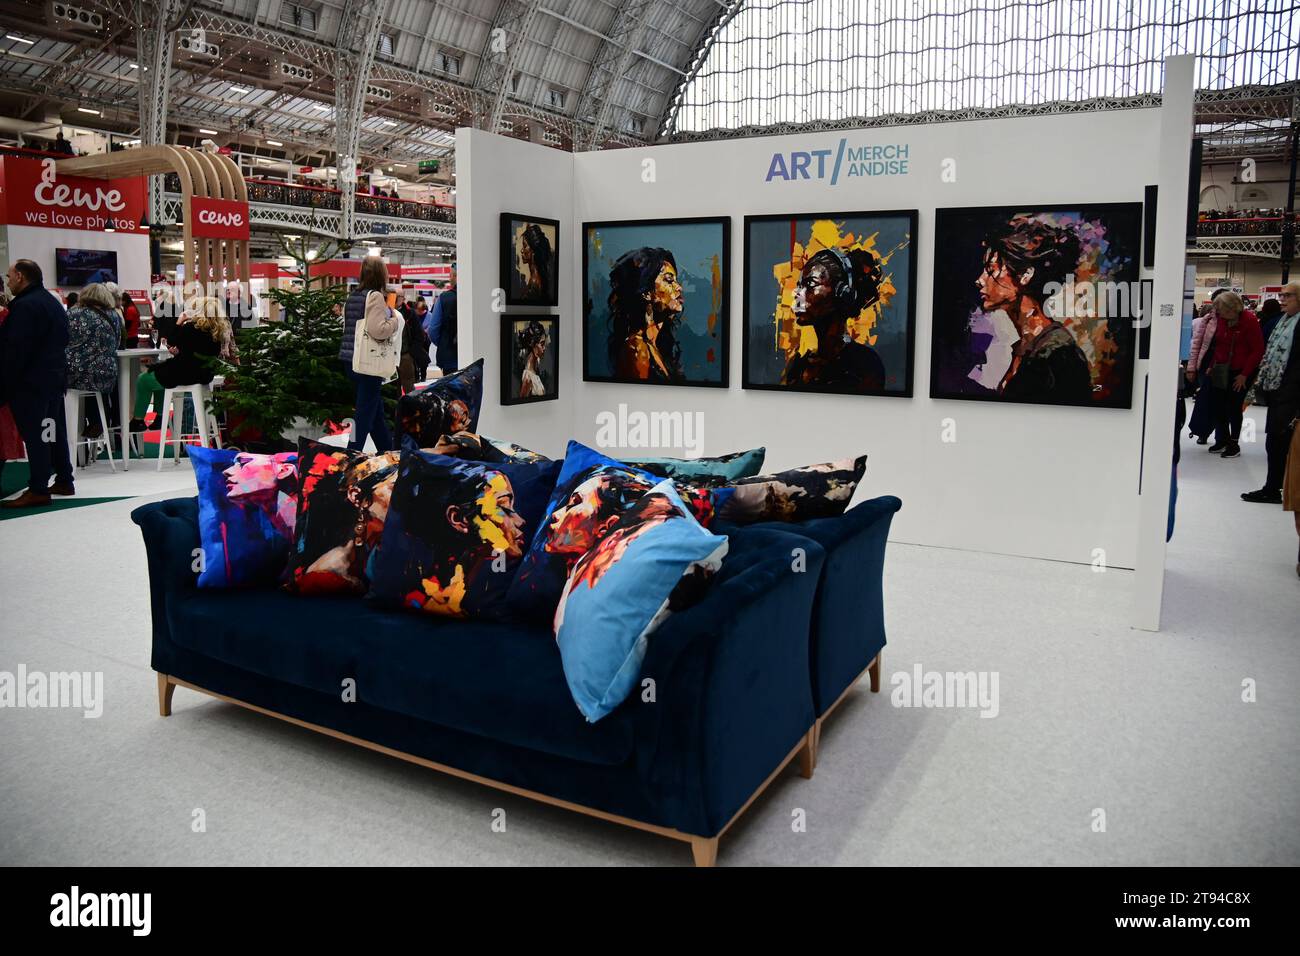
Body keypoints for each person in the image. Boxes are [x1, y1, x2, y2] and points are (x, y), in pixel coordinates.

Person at [978, 216, 1092, 403]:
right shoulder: (1025, 347)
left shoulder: (1060, 354)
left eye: (991, 270)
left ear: (1025, 275)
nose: (980, 280)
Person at [0, 259, 75, 507]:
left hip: (31, 383)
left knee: (37, 436)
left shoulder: (24, 307)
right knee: (52, 431)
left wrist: (6, 384)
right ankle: (64, 478)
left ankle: (39, 489)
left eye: (10, 277)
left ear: (21, 276)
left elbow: (16, 351)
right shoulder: (51, 302)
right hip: (53, 380)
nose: (8, 282)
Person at [781, 247, 887, 391]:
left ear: (842, 293)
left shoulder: (865, 365)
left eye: (810, 284)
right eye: (800, 286)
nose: (797, 294)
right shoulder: (797, 366)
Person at [127, 296, 228, 433]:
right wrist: (180, 353)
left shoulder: (190, 328)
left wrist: (180, 321)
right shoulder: (216, 332)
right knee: (159, 377)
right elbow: (193, 353)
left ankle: (138, 420)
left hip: (185, 374)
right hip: (202, 374)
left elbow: (172, 340)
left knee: (144, 379)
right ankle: (159, 418)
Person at [1242, 282, 1300, 504]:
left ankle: (1277, 488)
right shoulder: (1284, 322)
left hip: (1291, 395)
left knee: (1282, 444)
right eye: (1282, 295)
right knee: (1275, 443)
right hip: (1279, 391)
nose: (1283, 299)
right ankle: (1272, 487)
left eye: (1288, 296)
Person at [338, 256, 398, 452]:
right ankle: (351, 454)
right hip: (369, 364)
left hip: (351, 360)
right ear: (381, 274)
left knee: (375, 413)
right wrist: (395, 320)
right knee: (364, 416)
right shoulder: (375, 296)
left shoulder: (354, 295)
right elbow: (378, 330)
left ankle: (387, 452)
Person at [606, 247, 684, 383]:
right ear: (647, 293)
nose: (679, 287)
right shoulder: (637, 349)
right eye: (669, 280)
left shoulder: (656, 346)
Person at [1203, 290, 1263, 459]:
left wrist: (1244, 374)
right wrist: (1212, 365)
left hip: (1240, 371)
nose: (1218, 313)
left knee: (1233, 407)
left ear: (1231, 309)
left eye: (1221, 309)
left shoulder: (1249, 321)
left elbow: (1257, 350)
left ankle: (1234, 443)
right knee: (1217, 406)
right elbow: (1219, 345)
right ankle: (1223, 439)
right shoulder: (1222, 320)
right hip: (1222, 369)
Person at [64, 282, 122, 440]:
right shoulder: (114, 316)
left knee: (76, 383)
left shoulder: (73, 314)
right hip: (107, 373)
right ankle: (99, 419)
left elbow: (64, 340)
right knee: (94, 385)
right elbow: (117, 342)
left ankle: (75, 430)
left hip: (76, 373)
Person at [425, 264, 458, 373]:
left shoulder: (444, 298)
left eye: (451, 275)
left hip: (449, 358)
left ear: (454, 276)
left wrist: (444, 342)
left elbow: (433, 329)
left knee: (451, 389)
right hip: (473, 356)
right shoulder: (476, 297)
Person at [516, 318, 550, 398]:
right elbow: (522, 404)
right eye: (542, 344)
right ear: (533, 345)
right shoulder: (528, 377)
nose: (544, 348)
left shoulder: (534, 372)